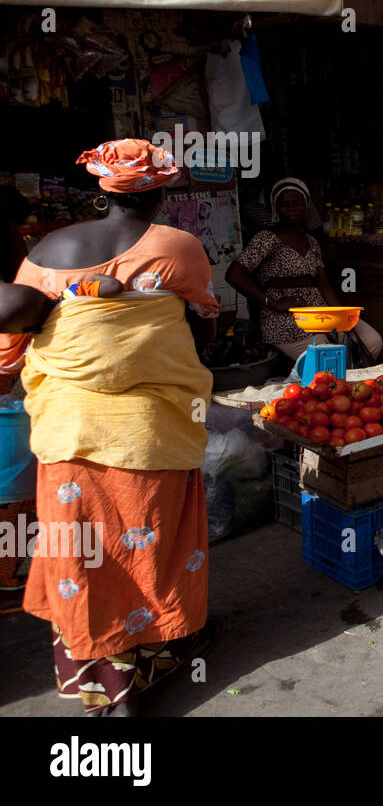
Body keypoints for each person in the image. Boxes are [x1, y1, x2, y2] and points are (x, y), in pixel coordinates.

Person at [0, 139, 220, 716]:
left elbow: (11, 348)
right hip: (152, 431)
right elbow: (207, 314)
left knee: (83, 555)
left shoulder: (48, 248)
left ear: (101, 187)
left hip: (67, 433)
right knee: (154, 543)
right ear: (163, 188)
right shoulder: (180, 247)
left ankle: (105, 689)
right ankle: (160, 653)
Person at [225, 178, 382, 367]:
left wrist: (343, 317)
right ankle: (334, 388)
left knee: (371, 341)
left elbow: (324, 285)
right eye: (284, 204)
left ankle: (344, 386)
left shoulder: (311, 241)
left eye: (296, 203)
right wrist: (272, 302)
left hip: (320, 314)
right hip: (286, 320)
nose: (291, 208)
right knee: (330, 358)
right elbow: (234, 274)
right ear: (276, 208)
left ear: (306, 206)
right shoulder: (266, 239)